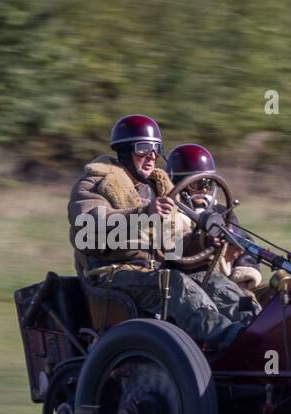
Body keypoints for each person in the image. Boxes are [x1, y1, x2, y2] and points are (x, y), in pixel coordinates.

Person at [67, 115, 247, 351]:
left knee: (215, 283)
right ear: (123, 150)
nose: (152, 155)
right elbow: (87, 231)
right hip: (113, 275)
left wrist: (205, 241)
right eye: (144, 148)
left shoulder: (160, 188)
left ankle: (257, 330)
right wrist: (143, 213)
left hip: (159, 271)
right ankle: (235, 344)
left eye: (157, 149)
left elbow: (177, 246)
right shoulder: (93, 184)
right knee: (175, 285)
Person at [165, 143, 263, 322]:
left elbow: (246, 243)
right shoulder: (170, 215)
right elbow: (174, 252)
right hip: (195, 280)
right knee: (244, 310)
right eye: (197, 183)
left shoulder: (221, 212)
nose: (204, 189)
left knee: (281, 296)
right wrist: (206, 242)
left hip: (231, 282)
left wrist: (243, 275)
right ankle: (253, 333)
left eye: (208, 183)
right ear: (179, 183)